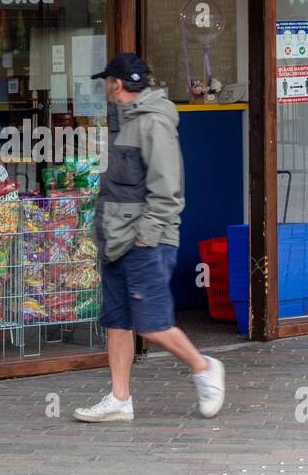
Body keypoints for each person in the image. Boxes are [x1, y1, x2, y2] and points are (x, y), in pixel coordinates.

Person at [74, 53, 225, 423]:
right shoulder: (123, 122)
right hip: (115, 239)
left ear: (118, 84)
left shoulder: (153, 124)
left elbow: (168, 191)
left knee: (153, 323)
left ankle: (204, 367)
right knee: (117, 321)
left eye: (107, 82)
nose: (105, 88)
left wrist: (146, 236)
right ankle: (119, 398)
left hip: (145, 241)